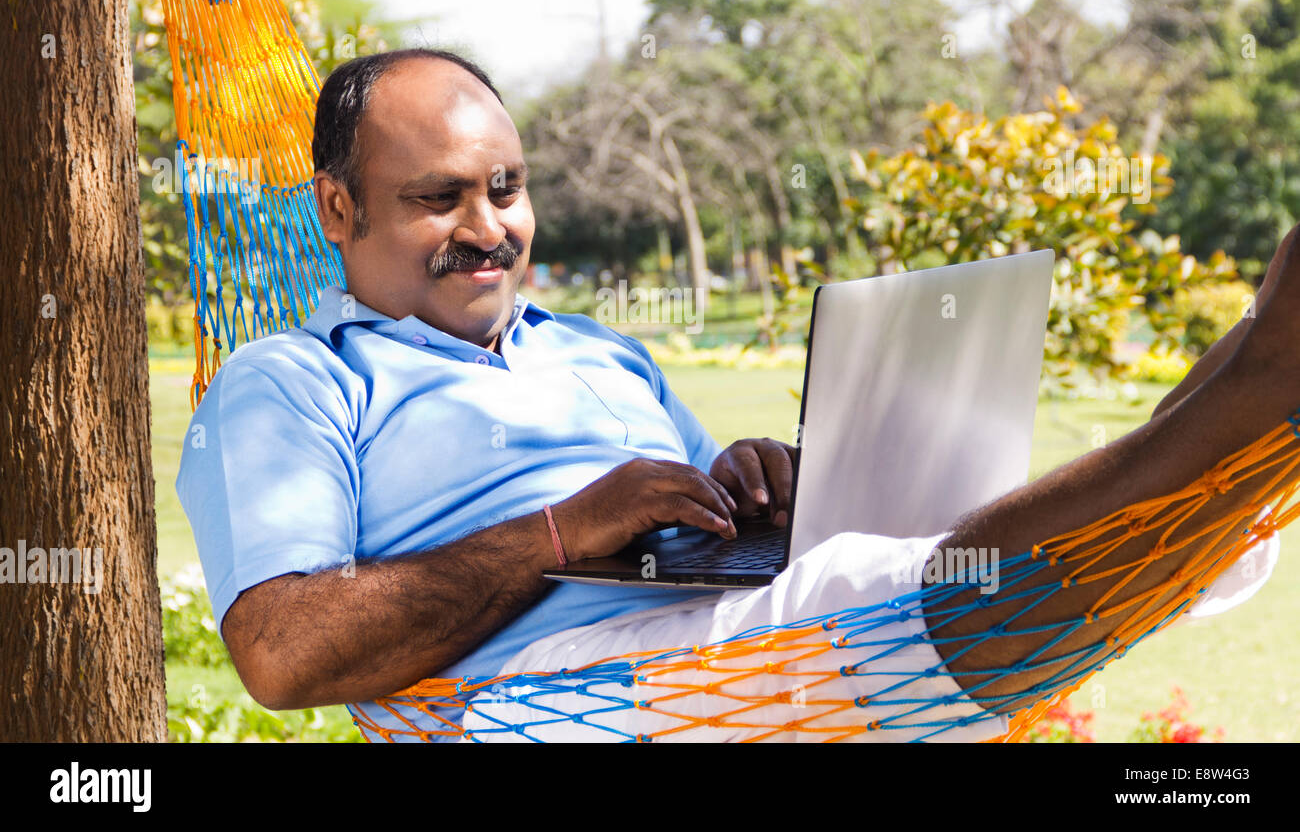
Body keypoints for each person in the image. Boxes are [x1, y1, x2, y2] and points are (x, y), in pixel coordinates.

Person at [176, 48, 1285, 742]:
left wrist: (747, 481)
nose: (489, 227)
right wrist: (567, 527)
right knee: (887, 584)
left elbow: (701, 514)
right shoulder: (292, 381)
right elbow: (282, 654)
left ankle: (1213, 451)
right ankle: (1237, 407)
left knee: (887, 550)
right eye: (440, 197)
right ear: (336, 206)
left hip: (734, 636)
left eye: (505, 188)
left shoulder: (602, 352)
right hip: (552, 698)